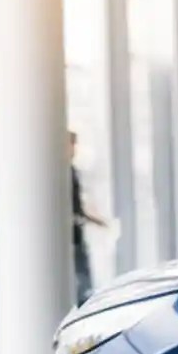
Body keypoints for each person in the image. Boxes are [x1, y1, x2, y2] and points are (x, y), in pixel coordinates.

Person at [69, 131, 109, 305]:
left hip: (76, 234)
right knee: (80, 278)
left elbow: (77, 206)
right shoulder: (62, 173)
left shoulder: (71, 171)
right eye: (72, 145)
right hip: (71, 237)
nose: (74, 150)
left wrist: (94, 220)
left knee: (83, 278)